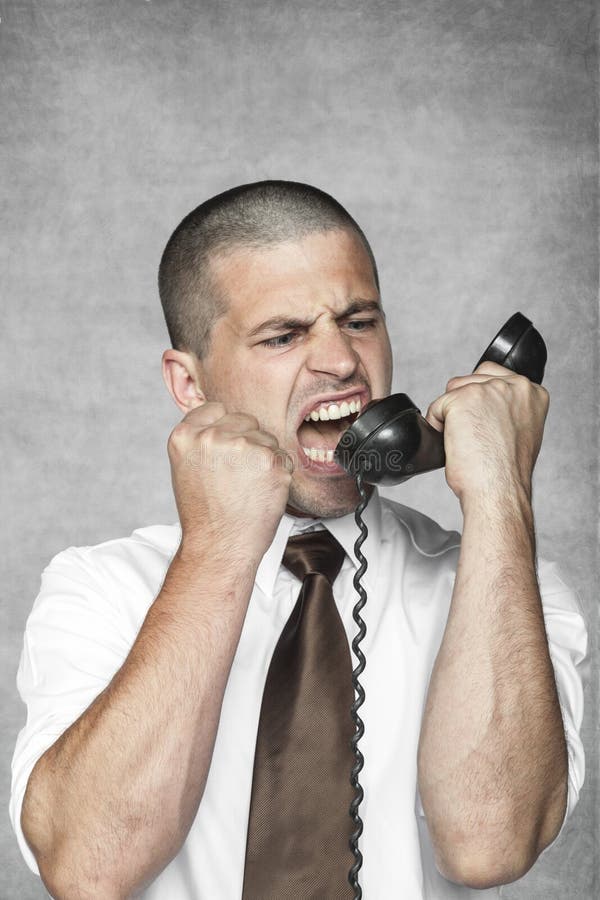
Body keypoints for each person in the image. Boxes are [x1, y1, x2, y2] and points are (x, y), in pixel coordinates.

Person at [10, 181, 586, 899]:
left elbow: (488, 847)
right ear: (189, 384)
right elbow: (89, 869)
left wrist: (501, 490)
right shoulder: (99, 588)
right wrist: (218, 548)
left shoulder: (506, 592)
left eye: (359, 321)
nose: (341, 362)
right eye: (283, 336)